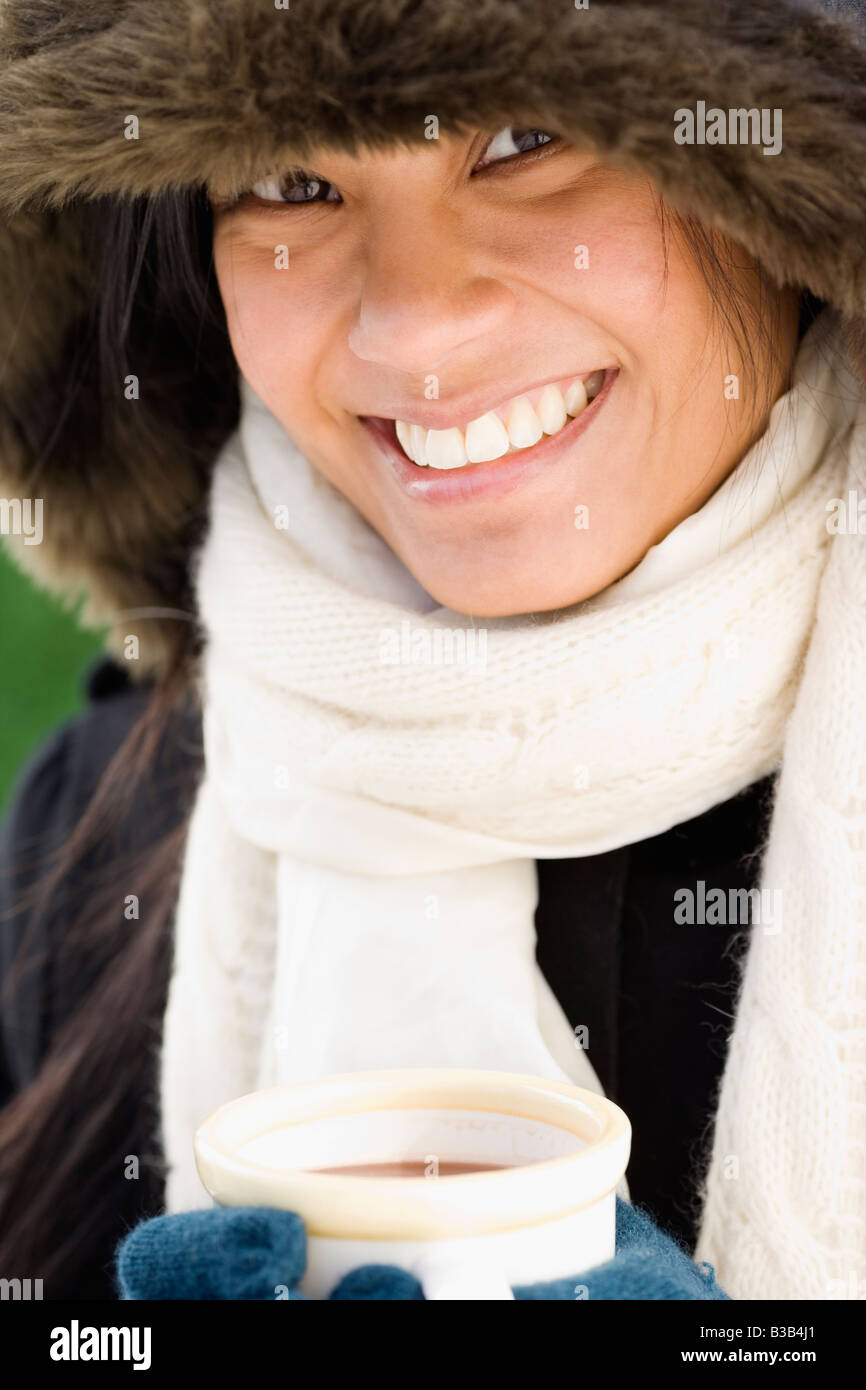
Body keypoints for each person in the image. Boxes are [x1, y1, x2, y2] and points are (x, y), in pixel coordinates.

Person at [1, 0, 865, 1301]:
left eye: (525, 138)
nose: (411, 326)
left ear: (789, 199)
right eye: (292, 181)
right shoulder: (98, 838)